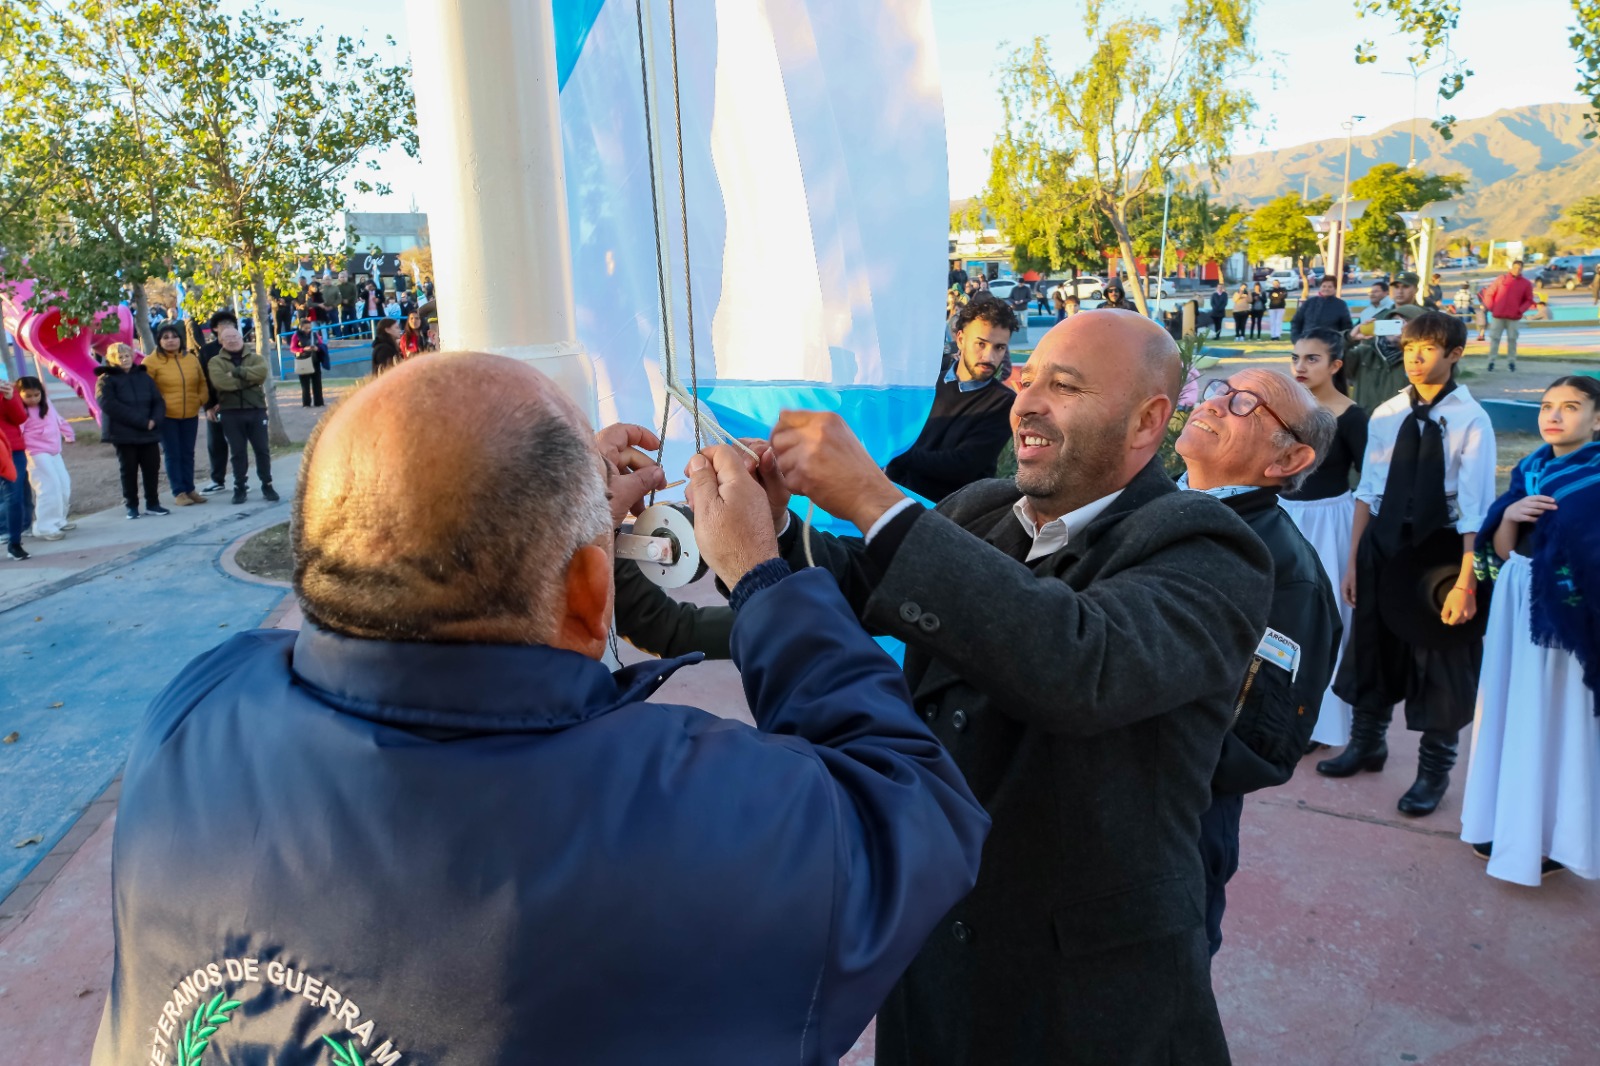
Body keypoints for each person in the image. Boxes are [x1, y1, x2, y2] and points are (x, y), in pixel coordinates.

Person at [90, 352, 989, 1066]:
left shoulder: (196, 710)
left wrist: (552, 518)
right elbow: (911, 804)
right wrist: (761, 573)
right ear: (591, 592)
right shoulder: (693, 823)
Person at [766, 309, 1274, 1064]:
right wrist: (766, 521)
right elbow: (860, 582)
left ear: (1147, 422)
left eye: (1063, 386)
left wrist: (876, 499)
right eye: (1026, 378)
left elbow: (1081, 664)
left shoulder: (1207, 546)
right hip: (938, 967)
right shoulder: (980, 509)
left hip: (1088, 1002)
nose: (1026, 403)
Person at [1175, 369, 1341, 956]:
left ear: (1289, 458)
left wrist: (1140, 752)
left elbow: (1260, 746)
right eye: (1219, 388)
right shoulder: (1147, 503)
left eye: (1246, 403)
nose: (1216, 403)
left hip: (1174, 832)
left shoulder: (1286, 575)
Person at [1318, 312, 1497, 816]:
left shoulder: (1470, 419)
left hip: (1440, 549)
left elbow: (1475, 508)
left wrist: (1466, 581)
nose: (1416, 358)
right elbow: (1368, 491)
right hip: (1385, 540)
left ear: (1455, 355)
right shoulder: (1387, 413)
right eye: (1411, 347)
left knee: (1440, 658)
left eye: (1429, 349)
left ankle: (1433, 772)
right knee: (1372, 646)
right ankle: (1366, 743)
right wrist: (1355, 559)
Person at [1461, 376, 1600, 885]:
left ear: (1597, 419)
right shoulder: (1530, 468)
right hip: (1519, 602)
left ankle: (1555, 836)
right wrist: (1511, 516)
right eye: (1547, 406)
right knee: (1513, 711)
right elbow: (1497, 552)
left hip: (1567, 623)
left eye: (1571, 407)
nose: (1554, 416)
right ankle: (1506, 821)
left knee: (1556, 719)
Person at [1282, 329, 1368, 750]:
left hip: (1330, 523)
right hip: (1282, 518)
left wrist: (1356, 553)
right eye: (1296, 357)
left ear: (1336, 365)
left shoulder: (1353, 417)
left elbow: (1371, 484)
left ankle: (1320, 722)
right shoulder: (1287, 410)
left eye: (1312, 359)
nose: (1300, 366)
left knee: (1326, 621)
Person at [883, 295, 1017, 503]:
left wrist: (894, 452)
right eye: (981, 344)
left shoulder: (1003, 402)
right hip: (898, 504)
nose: (990, 357)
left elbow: (962, 466)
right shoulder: (926, 384)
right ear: (961, 339)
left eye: (999, 347)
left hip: (953, 519)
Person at [96, 343, 171, 520]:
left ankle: (153, 503)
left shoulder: (143, 377)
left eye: (127, 355)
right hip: (124, 433)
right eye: (120, 357)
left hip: (148, 432)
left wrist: (154, 420)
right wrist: (142, 422)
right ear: (112, 359)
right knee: (129, 470)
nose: (124, 359)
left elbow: (157, 400)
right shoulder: (106, 379)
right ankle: (132, 505)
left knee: (152, 468)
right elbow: (108, 404)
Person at [207, 324, 276, 505]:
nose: (232, 340)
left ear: (241, 338)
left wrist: (237, 373)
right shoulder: (215, 362)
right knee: (238, 452)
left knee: (262, 449)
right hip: (230, 412)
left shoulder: (256, 358)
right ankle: (239, 487)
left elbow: (261, 374)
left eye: (235, 336)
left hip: (256, 410)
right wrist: (249, 382)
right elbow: (221, 383)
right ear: (221, 341)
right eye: (227, 337)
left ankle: (267, 484)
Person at [1341, 271, 1427, 413]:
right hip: (1371, 381)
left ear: (1415, 289)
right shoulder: (1380, 317)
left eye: (1405, 287)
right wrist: (1350, 338)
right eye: (1396, 287)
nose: (1399, 291)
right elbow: (1334, 355)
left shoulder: (1428, 317)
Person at [144, 321, 210, 506]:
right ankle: (179, 491)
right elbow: (145, 389)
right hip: (166, 416)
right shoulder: (151, 361)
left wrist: (199, 400)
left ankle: (190, 489)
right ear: (159, 341)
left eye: (174, 337)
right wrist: (156, 409)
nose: (171, 340)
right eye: (166, 338)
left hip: (190, 413)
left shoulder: (191, 359)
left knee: (188, 452)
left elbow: (202, 382)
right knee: (173, 453)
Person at [16, 376, 75, 540]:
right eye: (28, 396)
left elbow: (58, 419)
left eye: (36, 395)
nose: (33, 399)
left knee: (64, 484)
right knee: (49, 487)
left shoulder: (46, 403)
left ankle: (59, 520)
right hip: (35, 452)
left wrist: (68, 434)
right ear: (19, 394)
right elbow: (16, 432)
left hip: (54, 450)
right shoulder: (19, 410)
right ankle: (45, 527)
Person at [197, 310, 237, 495]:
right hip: (214, 405)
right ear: (214, 328)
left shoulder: (239, 347)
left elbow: (245, 377)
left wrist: (228, 399)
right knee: (216, 443)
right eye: (223, 324)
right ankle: (217, 480)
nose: (228, 327)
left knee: (238, 444)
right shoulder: (207, 351)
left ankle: (240, 480)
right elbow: (203, 379)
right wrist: (208, 406)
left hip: (237, 404)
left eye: (231, 323)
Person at [1480, 260, 1535, 371]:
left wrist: (1520, 310)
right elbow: (1489, 293)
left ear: (1522, 269)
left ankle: (1511, 362)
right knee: (1495, 339)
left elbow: (1529, 300)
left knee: (1512, 339)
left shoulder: (1526, 284)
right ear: (1511, 268)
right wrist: (1492, 307)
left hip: (1513, 317)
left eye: (1519, 268)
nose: (1517, 270)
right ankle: (1491, 361)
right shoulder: (1501, 279)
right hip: (1498, 316)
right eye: (1515, 268)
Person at [0, 376, 30, 559]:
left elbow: (20, 418)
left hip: (12, 450)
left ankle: (15, 542)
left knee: (15, 496)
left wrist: (11, 398)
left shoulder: (8, 389)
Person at [1290, 274, 1355, 342]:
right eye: (1324, 286)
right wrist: (1296, 339)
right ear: (1320, 287)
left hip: (1330, 345)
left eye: (1330, 287)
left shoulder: (1340, 305)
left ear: (1335, 289)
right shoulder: (1309, 303)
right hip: (1307, 343)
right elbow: (1296, 321)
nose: (1326, 289)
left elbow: (1347, 327)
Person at [289, 320, 330, 407]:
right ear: (301, 327)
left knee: (317, 383)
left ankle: (319, 403)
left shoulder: (314, 334)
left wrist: (317, 348)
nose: (308, 329)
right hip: (303, 361)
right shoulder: (296, 335)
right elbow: (292, 348)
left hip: (315, 360)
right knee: (305, 384)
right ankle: (306, 404)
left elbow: (321, 344)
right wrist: (303, 349)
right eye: (305, 328)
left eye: (309, 327)